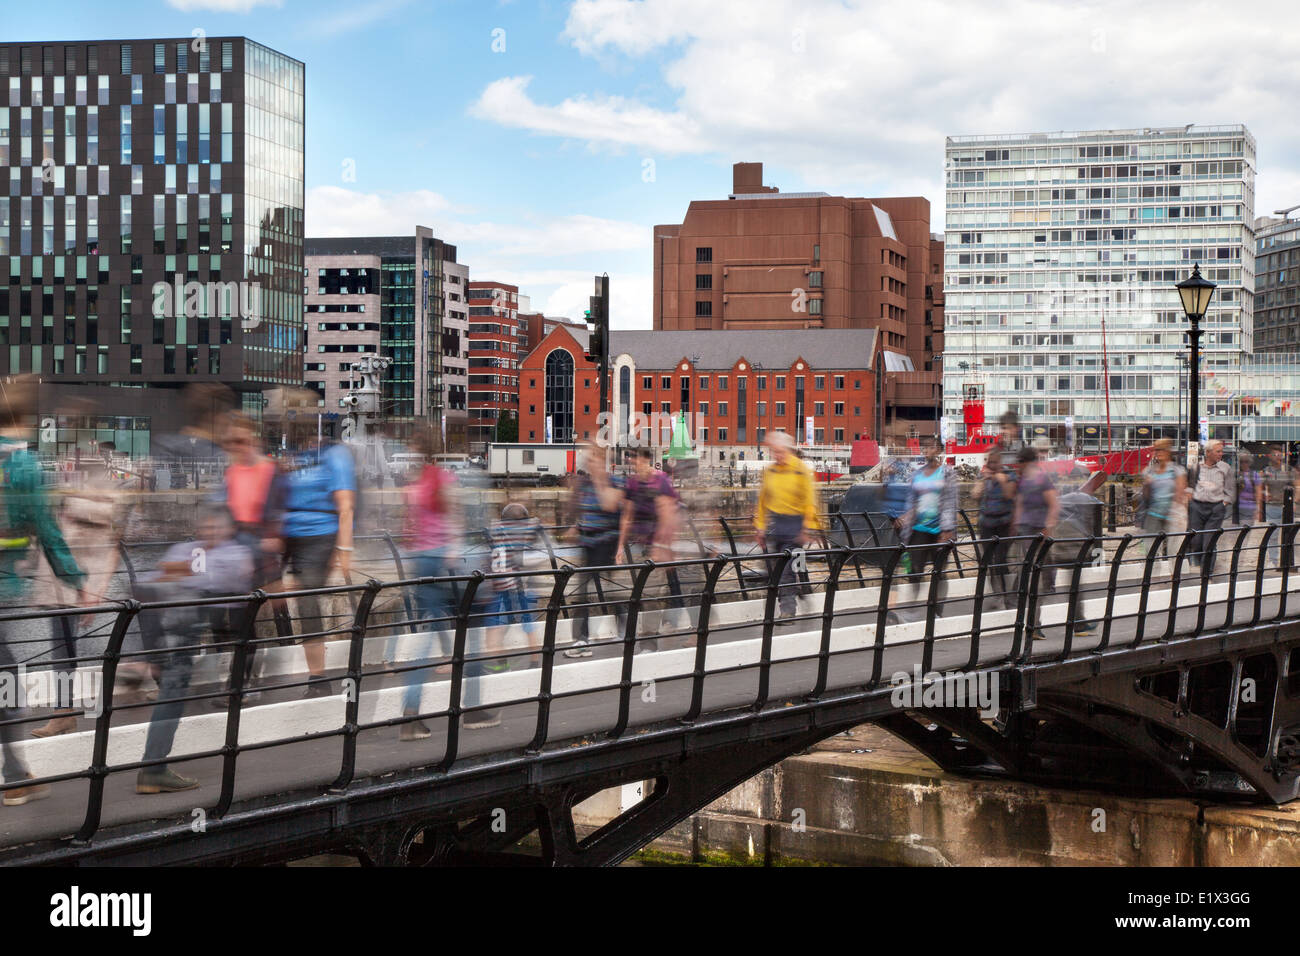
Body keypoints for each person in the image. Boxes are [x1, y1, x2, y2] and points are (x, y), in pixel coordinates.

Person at [0, 377, 89, 807]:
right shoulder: (24, 466)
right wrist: (77, 581)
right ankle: (15, 777)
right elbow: (49, 532)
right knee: (7, 681)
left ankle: (16, 774)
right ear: (32, 418)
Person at [135, 506, 253, 793]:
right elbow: (229, 584)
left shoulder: (190, 552)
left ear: (227, 530)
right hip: (176, 628)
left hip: (172, 626)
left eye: (217, 528)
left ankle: (154, 767)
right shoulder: (226, 553)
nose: (211, 533)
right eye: (207, 527)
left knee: (171, 695)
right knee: (171, 696)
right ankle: (153, 769)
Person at [280, 416, 357, 698]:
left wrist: (344, 549)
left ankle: (318, 677)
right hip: (288, 534)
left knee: (307, 598)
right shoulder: (296, 457)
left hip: (320, 534)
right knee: (261, 591)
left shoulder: (335, 456)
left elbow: (345, 505)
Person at [398, 429, 458, 741]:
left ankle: (448, 658)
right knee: (431, 627)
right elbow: (450, 515)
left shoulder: (414, 483)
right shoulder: (440, 478)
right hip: (435, 557)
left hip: (419, 557)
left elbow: (409, 522)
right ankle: (411, 711)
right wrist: (451, 548)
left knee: (434, 616)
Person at [466, 502, 544, 730]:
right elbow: (528, 557)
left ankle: (501, 666)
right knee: (527, 622)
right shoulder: (521, 534)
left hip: (495, 587)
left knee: (494, 628)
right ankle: (534, 662)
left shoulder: (494, 532)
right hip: (516, 585)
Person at [619, 447, 685, 653]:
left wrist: (662, 545)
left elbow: (668, 514)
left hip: (656, 544)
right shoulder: (633, 483)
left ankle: (649, 642)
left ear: (646, 460)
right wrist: (620, 546)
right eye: (631, 459)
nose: (633, 462)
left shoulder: (660, 481)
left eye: (636, 459)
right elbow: (627, 516)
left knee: (651, 594)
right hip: (637, 544)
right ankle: (650, 628)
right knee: (633, 591)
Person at [563, 441, 625, 659]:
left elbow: (609, 505)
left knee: (607, 589)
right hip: (587, 543)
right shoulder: (585, 484)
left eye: (594, 459)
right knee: (592, 590)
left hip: (606, 542)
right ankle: (584, 638)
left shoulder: (614, 481)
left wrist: (599, 478)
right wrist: (576, 526)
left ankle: (587, 638)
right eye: (589, 460)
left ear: (602, 459)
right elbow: (582, 510)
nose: (590, 463)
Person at [755, 431, 822, 627]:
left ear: (789, 450)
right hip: (776, 524)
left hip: (796, 524)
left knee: (787, 571)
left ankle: (787, 611)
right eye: (774, 452)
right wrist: (759, 527)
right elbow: (763, 501)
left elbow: (810, 500)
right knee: (775, 569)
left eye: (780, 451)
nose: (777, 456)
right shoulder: (770, 471)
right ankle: (802, 588)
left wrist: (807, 527)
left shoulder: (800, 469)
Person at [895, 437, 959, 612]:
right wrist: (905, 516)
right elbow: (912, 501)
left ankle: (937, 609)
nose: (926, 451)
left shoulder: (947, 473)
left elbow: (951, 502)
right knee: (914, 570)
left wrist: (948, 529)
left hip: (940, 530)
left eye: (930, 447)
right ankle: (911, 609)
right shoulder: (916, 474)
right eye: (924, 448)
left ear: (938, 450)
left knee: (939, 572)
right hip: (918, 529)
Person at [1011, 447, 1060, 640]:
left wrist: (1048, 527)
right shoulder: (1024, 480)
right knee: (1036, 579)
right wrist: (1016, 523)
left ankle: (1034, 620)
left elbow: (1054, 504)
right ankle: (1034, 625)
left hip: (1040, 532)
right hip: (1027, 531)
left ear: (1026, 462)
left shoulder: (1042, 479)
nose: (1018, 465)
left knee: (1042, 574)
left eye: (1020, 462)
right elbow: (1020, 503)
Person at [972, 447, 1016, 608]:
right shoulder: (983, 475)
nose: (991, 465)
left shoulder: (1009, 474)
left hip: (1004, 523)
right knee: (987, 561)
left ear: (1000, 462)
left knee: (1001, 559)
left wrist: (1000, 479)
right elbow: (975, 495)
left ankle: (1007, 596)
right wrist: (983, 481)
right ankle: (997, 595)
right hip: (986, 523)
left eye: (994, 462)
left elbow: (1009, 495)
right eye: (989, 462)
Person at [1186, 439, 1234, 573]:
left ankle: (1207, 573)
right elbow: (1190, 486)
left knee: (1209, 542)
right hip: (1197, 507)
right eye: (1218, 451)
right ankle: (1203, 566)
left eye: (1221, 451)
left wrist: (1223, 504)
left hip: (1215, 508)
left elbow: (1230, 490)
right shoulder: (1196, 467)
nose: (1221, 454)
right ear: (1208, 453)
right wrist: (1190, 501)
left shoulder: (1225, 468)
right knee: (1196, 542)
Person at [1137, 438, 1187, 557]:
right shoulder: (1149, 471)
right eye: (1156, 450)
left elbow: (1179, 494)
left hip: (1172, 515)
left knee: (1173, 552)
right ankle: (1153, 573)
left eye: (1162, 450)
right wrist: (1147, 485)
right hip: (1154, 514)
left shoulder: (1177, 470)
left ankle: (1172, 574)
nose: (1158, 452)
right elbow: (1145, 496)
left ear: (1168, 451)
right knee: (1150, 551)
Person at [1260, 444, 1299, 568]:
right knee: (1273, 534)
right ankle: (1273, 560)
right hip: (1272, 505)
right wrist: (1264, 493)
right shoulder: (1266, 470)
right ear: (1270, 456)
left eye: (1278, 454)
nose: (1276, 457)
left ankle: (1288, 559)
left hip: (1286, 506)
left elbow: (1298, 486)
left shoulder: (1289, 470)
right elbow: (1260, 486)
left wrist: (1294, 502)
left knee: (1289, 534)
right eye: (1274, 454)